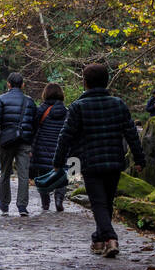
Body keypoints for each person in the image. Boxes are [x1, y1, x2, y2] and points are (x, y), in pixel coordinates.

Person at [53, 62, 146, 258]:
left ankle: (110, 238)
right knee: (107, 201)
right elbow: (131, 134)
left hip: (90, 161)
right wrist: (139, 159)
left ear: (85, 83)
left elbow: (66, 136)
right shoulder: (118, 104)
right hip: (114, 160)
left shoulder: (78, 107)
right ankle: (98, 239)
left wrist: (57, 161)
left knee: (98, 203)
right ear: (106, 82)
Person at [0, 71, 40, 216]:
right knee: (23, 174)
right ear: (23, 85)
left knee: (5, 172)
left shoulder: (0, 100)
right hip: (24, 142)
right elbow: (35, 124)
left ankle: (4, 203)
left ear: (8, 84)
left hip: (6, 141)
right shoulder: (30, 102)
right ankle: (22, 206)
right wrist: (33, 144)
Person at [29, 83, 69, 212]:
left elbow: (33, 129)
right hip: (61, 147)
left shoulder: (40, 110)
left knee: (43, 174)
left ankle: (45, 203)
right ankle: (59, 199)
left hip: (42, 147)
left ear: (45, 94)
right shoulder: (67, 111)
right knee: (61, 173)